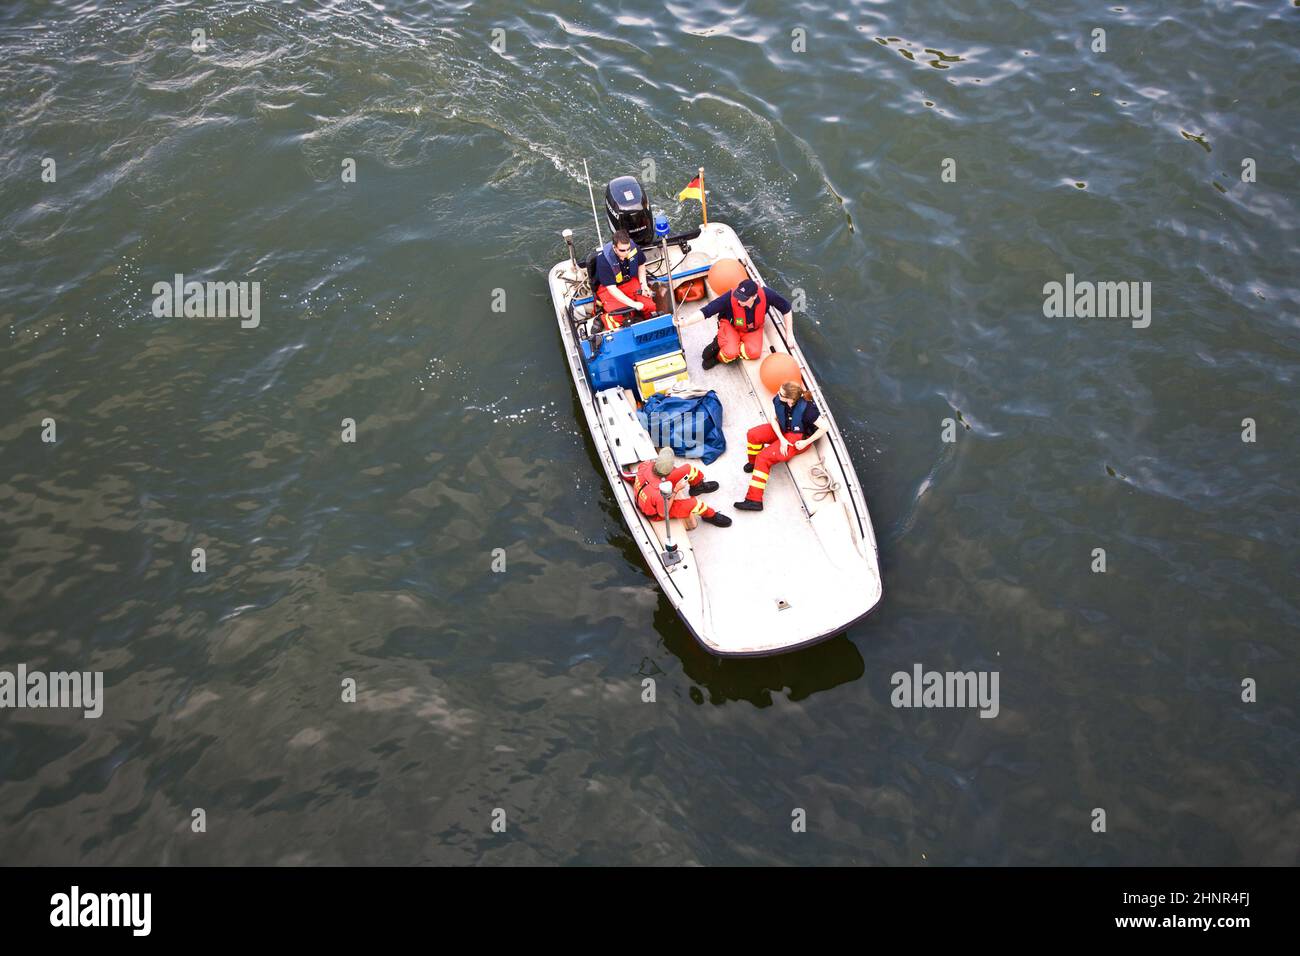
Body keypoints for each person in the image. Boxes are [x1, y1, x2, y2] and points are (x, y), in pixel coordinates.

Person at [734, 380, 827, 512]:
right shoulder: (779, 400)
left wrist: (806, 442)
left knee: (764, 458)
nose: (778, 394)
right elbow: (774, 418)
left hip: (798, 439)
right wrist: (782, 439)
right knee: (753, 434)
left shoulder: (807, 410)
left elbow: (824, 427)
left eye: (781, 393)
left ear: (790, 398)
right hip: (783, 431)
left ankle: (754, 500)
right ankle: (753, 463)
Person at [700, 278, 792, 368]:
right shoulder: (729, 297)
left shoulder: (767, 294)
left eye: (743, 299)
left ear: (754, 296)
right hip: (731, 325)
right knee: (730, 352)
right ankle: (719, 344)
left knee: (754, 353)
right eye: (738, 296)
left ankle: (719, 357)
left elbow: (786, 308)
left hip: (752, 328)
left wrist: (790, 334)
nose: (739, 301)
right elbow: (707, 311)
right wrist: (685, 322)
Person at [634, 448, 732, 528]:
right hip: (657, 512)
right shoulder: (659, 494)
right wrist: (676, 490)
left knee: (689, 470)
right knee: (696, 504)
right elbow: (663, 513)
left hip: (654, 487)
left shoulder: (645, 466)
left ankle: (697, 487)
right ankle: (710, 516)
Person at [593, 229, 655, 329]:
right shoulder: (604, 260)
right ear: (614, 248)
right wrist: (633, 304)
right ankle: (604, 318)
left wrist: (644, 285)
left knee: (649, 306)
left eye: (628, 249)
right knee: (619, 315)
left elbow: (641, 264)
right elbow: (612, 289)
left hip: (630, 282)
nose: (626, 253)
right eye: (622, 250)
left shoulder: (633, 248)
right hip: (610, 288)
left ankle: (650, 325)